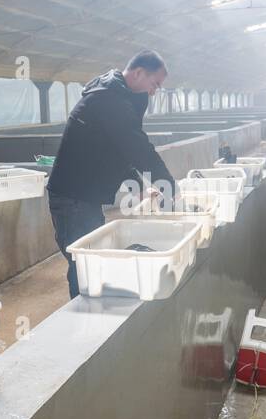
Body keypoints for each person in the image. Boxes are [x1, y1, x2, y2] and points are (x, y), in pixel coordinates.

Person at [45, 50, 176, 297]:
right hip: (72, 196)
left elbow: (117, 151)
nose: (154, 91)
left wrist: (138, 185)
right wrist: (169, 186)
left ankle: (90, 311)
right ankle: (84, 319)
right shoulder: (108, 100)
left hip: (86, 196)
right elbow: (138, 148)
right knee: (83, 263)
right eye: (154, 83)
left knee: (90, 260)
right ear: (138, 73)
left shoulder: (121, 97)